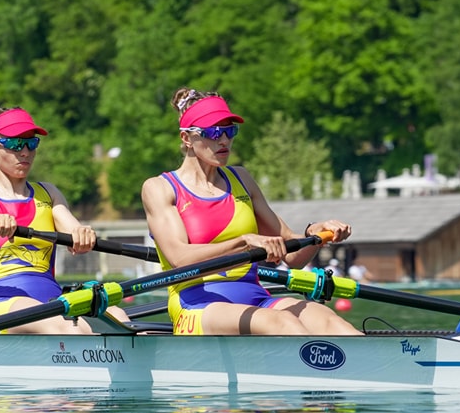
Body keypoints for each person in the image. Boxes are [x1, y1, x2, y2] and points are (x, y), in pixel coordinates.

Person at [141, 88, 362, 336]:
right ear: (186, 138)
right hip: (194, 305)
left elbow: (293, 257)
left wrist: (314, 234)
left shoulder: (242, 178)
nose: (224, 140)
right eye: (213, 132)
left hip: (256, 298)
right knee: (283, 323)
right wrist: (244, 242)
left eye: (230, 131)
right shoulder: (159, 188)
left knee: (330, 321)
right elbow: (179, 258)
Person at [0, 106, 129, 334]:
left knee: (118, 319)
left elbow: (73, 229)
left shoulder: (49, 193)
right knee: (66, 327)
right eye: (15, 144)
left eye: (31, 143)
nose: (25, 152)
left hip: (53, 300)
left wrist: (83, 234)